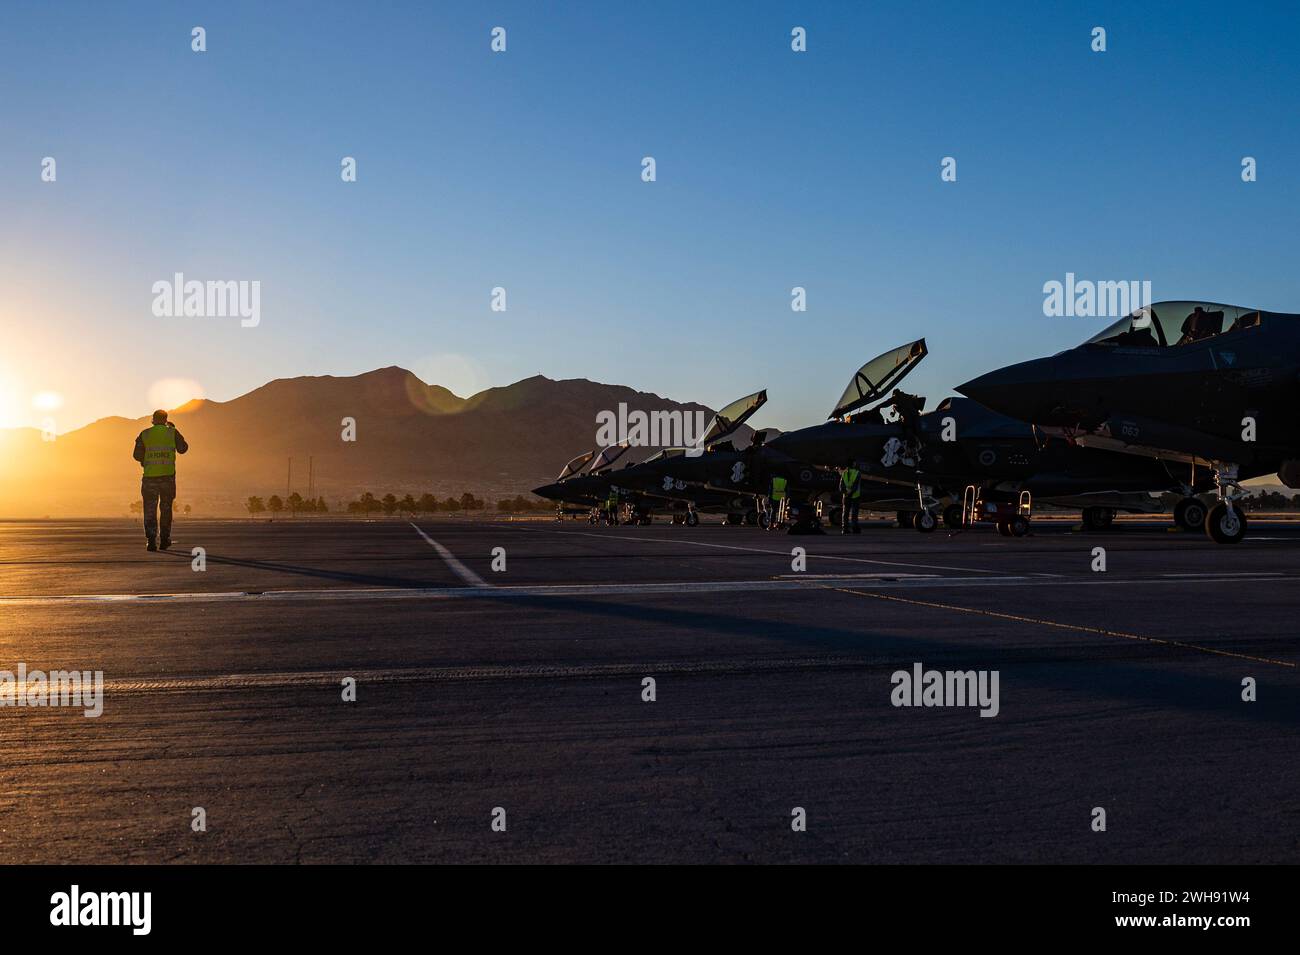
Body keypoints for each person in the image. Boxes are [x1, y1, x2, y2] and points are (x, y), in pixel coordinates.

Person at [133, 409, 189, 551]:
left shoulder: (145, 434)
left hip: (150, 478)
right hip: (167, 478)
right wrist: (174, 429)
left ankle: (151, 541)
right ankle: (164, 540)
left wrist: (147, 458)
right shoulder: (172, 432)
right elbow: (183, 449)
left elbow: (136, 455)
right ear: (166, 419)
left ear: (153, 419)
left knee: (150, 509)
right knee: (166, 509)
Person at [840, 462, 862, 534]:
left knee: (845, 513)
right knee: (854, 513)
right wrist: (851, 493)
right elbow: (855, 485)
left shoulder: (843, 473)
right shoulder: (857, 473)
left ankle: (844, 529)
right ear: (853, 465)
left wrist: (846, 493)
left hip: (846, 496)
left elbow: (841, 487)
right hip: (855, 496)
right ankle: (855, 529)